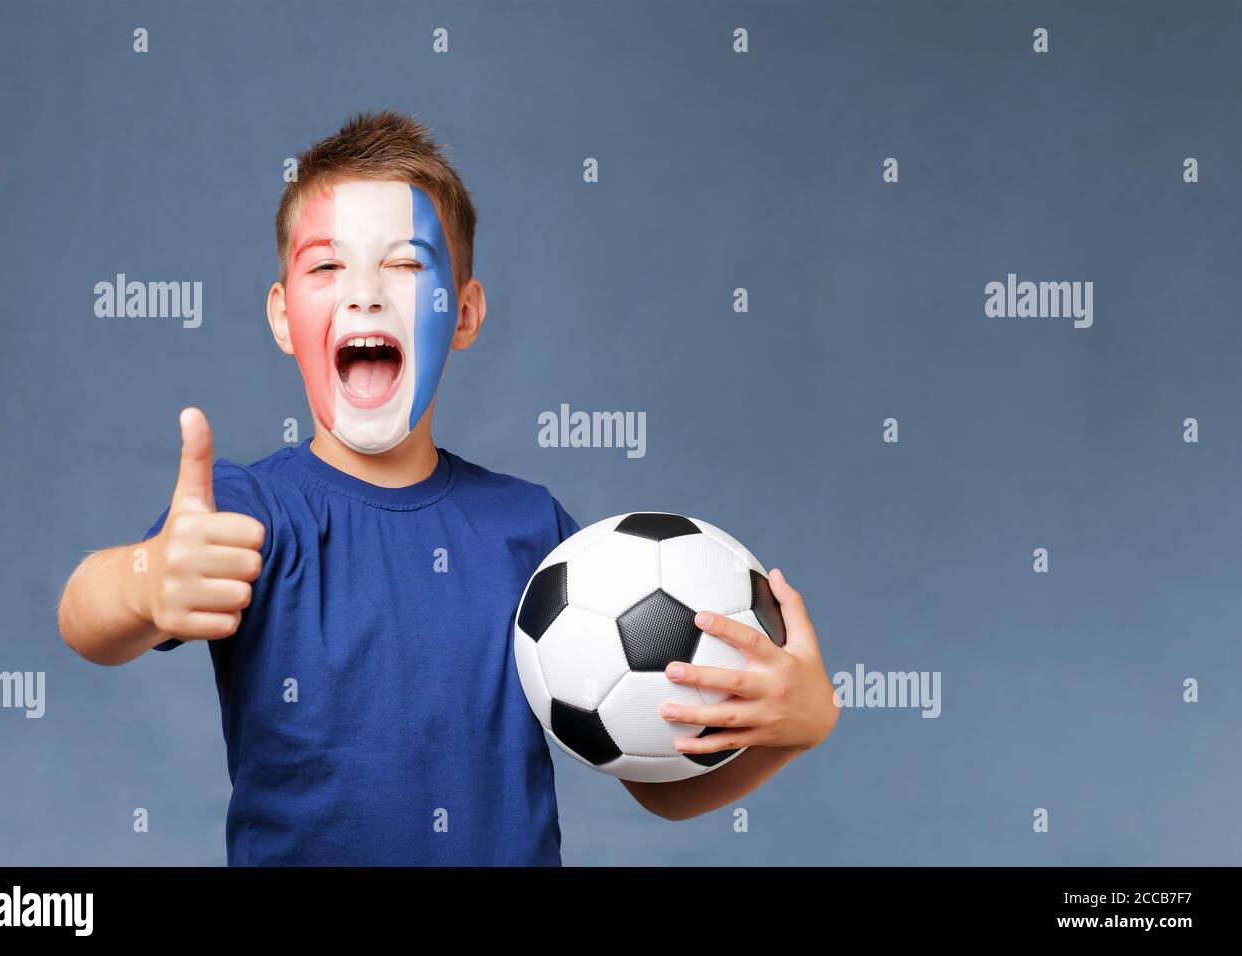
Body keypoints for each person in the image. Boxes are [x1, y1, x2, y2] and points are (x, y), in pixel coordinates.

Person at [57, 111, 840, 865]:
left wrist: (794, 731)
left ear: (463, 314)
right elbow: (84, 618)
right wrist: (145, 579)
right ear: (283, 317)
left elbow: (655, 788)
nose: (364, 292)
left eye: (404, 263)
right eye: (327, 266)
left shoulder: (539, 535)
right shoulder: (249, 513)